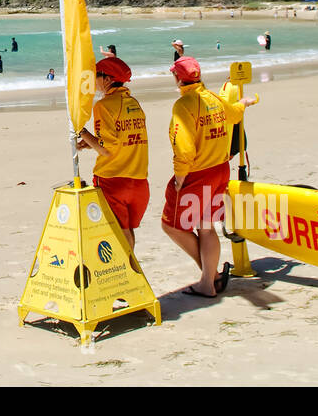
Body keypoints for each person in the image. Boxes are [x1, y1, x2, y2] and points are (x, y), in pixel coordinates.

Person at [162, 56, 259, 297]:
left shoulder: (184, 105)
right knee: (206, 227)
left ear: (177, 77)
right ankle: (208, 281)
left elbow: (183, 148)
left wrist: (180, 177)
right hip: (220, 170)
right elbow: (233, 114)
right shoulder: (214, 98)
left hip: (198, 173)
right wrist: (245, 102)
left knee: (171, 225)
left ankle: (210, 275)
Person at [76, 57, 148, 256]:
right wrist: (91, 143)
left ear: (107, 79)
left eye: (96, 76)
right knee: (126, 231)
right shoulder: (134, 104)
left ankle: (129, 274)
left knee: (119, 232)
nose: (94, 81)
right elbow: (121, 140)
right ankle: (131, 271)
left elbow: (106, 149)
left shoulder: (104, 105)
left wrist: (81, 131)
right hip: (139, 180)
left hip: (112, 179)